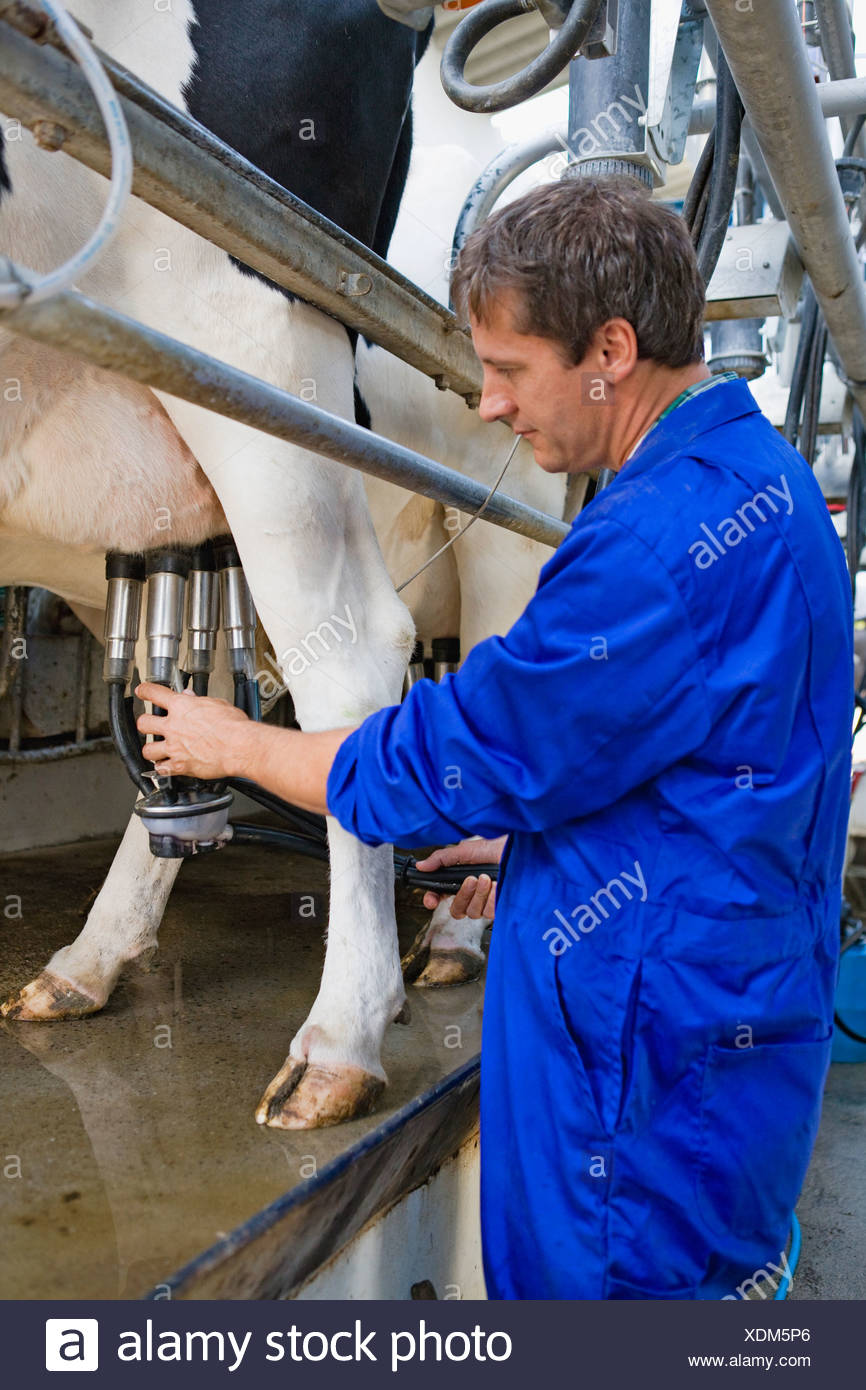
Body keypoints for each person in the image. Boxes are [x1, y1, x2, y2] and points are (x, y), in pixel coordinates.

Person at [136, 178, 854, 1299]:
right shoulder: (760, 485)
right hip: (718, 1024)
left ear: (609, 349)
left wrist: (237, 746)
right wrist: (536, 859)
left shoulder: (650, 551)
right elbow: (710, 782)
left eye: (509, 369)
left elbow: (439, 761)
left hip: (638, 1089)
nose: (485, 406)